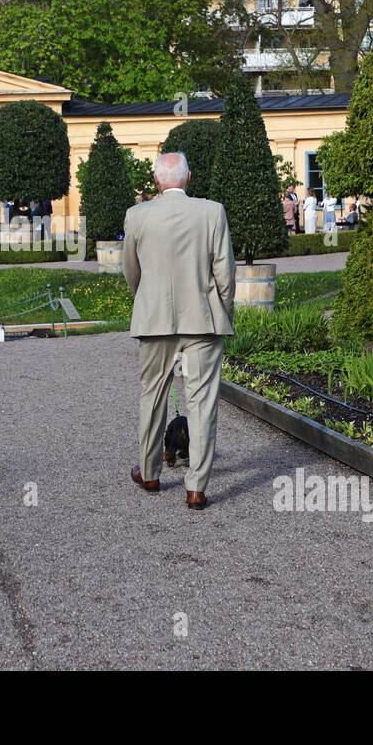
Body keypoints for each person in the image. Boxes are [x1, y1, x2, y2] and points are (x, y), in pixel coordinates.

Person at [122, 152, 235, 511]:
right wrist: (223, 310)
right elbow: (225, 272)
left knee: (151, 396)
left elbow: (130, 270)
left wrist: (147, 300)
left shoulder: (137, 215)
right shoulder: (212, 211)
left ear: (157, 181)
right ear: (189, 178)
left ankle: (152, 473)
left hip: (153, 319)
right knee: (201, 403)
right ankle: (196, 487)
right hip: (202, 318)